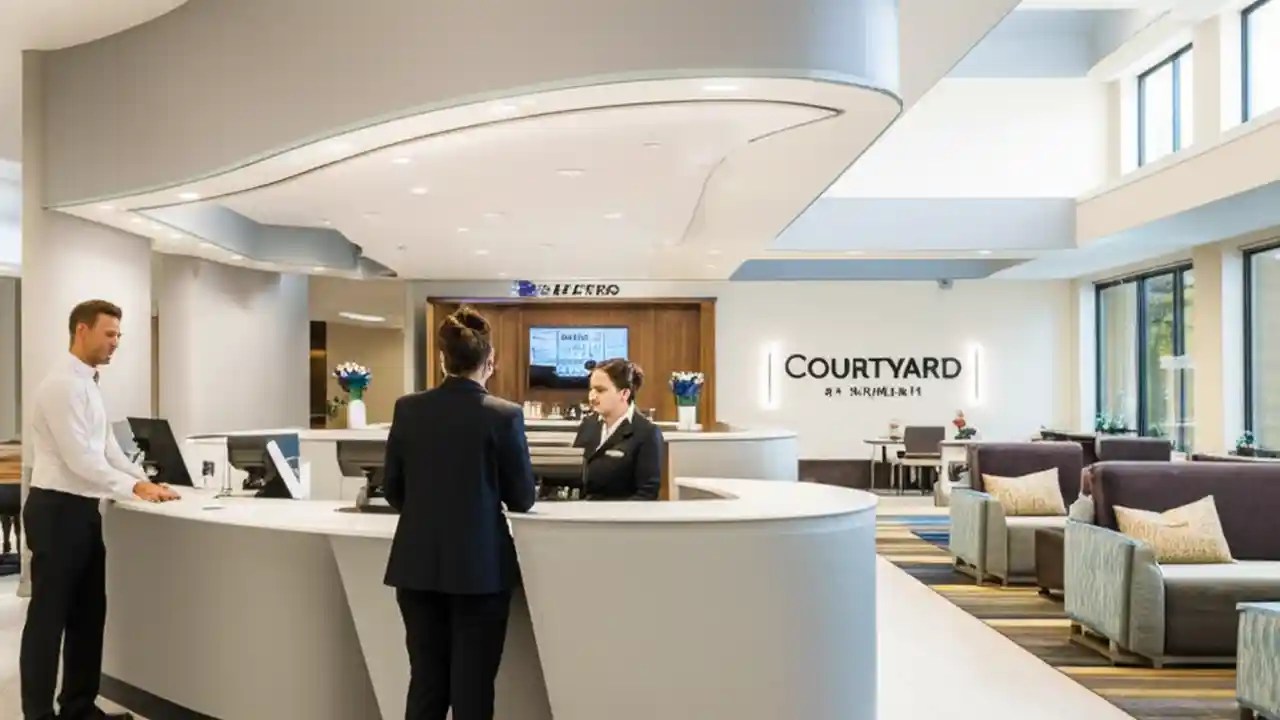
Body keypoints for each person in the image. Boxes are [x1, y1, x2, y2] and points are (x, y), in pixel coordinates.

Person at [21, 299, 179, 720]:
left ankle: (78, 706)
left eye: (118, 336)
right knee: (48, 620)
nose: (115, 343)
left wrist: (145, 481)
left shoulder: (89, 384)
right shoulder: (60, 386)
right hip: (55, 511)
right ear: (81, 331)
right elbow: (80, 461)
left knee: (89, 615)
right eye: (109, 334)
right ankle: (37, 715)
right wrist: (135, 486)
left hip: (84, 510)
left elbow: (108, 451)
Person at [382, 305, 537, 720]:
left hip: (417, 569)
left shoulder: (408, 408)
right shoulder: (504, 416)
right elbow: (522, 497)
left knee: (427, 686)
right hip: (480, 572)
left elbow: (392, 489)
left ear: (441, 359)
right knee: (472, 693)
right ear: (490, 362)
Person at [573, 358, 663, 500]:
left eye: (600, 390)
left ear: (624, 394)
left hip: (620, 518)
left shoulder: (647, 433)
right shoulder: (588, 424)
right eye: (591, 389)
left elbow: (647, 493)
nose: (592, 396)